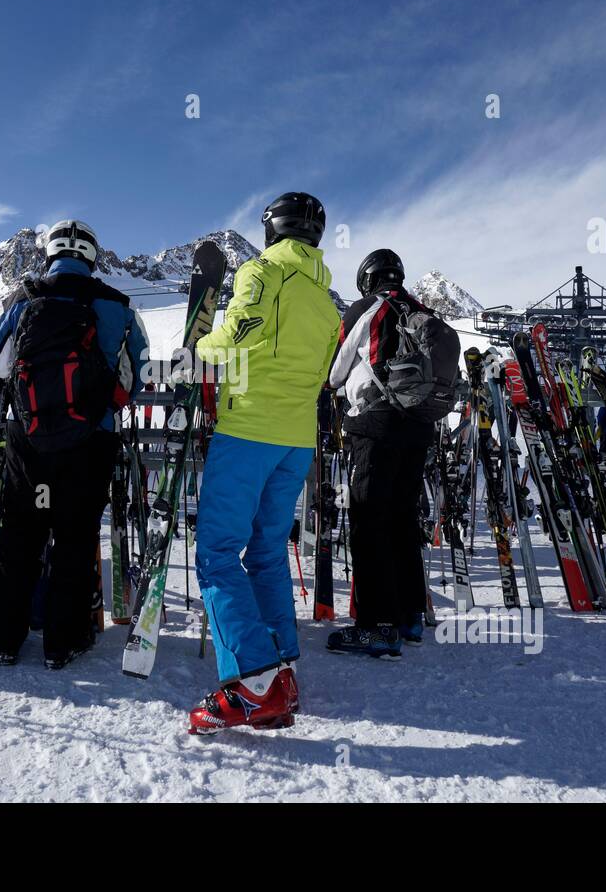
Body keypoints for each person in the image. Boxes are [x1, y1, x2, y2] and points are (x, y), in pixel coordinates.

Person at [187, 192, 340, 735]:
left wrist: (201, 346)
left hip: (248, 430)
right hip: (296, 441)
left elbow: (241, 335)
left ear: (272, 229)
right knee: (268, 552)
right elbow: (324, 372)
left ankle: (252, 684)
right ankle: (282, 673)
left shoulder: (261, 272)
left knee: (219, 553)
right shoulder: (327, 300)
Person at [0, 220, 148, 669]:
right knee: (75, 539)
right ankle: (63, 641)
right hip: (92, 440)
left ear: (49, 254)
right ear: (93, 256)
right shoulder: (119, 306)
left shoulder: (23, 298)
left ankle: (6, 637)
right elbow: (138, 373)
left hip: (27, 436)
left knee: (20, 533)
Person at [325, 249, 457, 658]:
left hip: (374, 424)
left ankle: (376, 626)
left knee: (369, 519)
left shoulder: (368, 308)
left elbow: (335, 371)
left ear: (367, 279)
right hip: (418, 426)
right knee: (402, 518)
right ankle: (409, 616)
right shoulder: (422, 310)